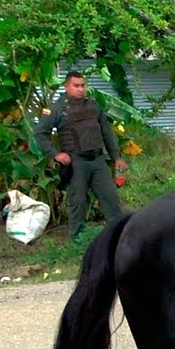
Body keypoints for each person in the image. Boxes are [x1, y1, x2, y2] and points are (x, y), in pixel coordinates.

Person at [34, 71, 127, 239]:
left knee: (111, 199)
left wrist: (117, 158)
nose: (80, 89)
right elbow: (40, 133)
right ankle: (78, 240)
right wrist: (55, 154)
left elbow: (107, 133)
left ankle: (118, 236)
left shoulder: (93, 106)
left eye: (83, 85)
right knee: (78, 203)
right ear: (66, 86)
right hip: (76, 163)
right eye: (76, 86)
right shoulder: (57, 109)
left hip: (98, 161)